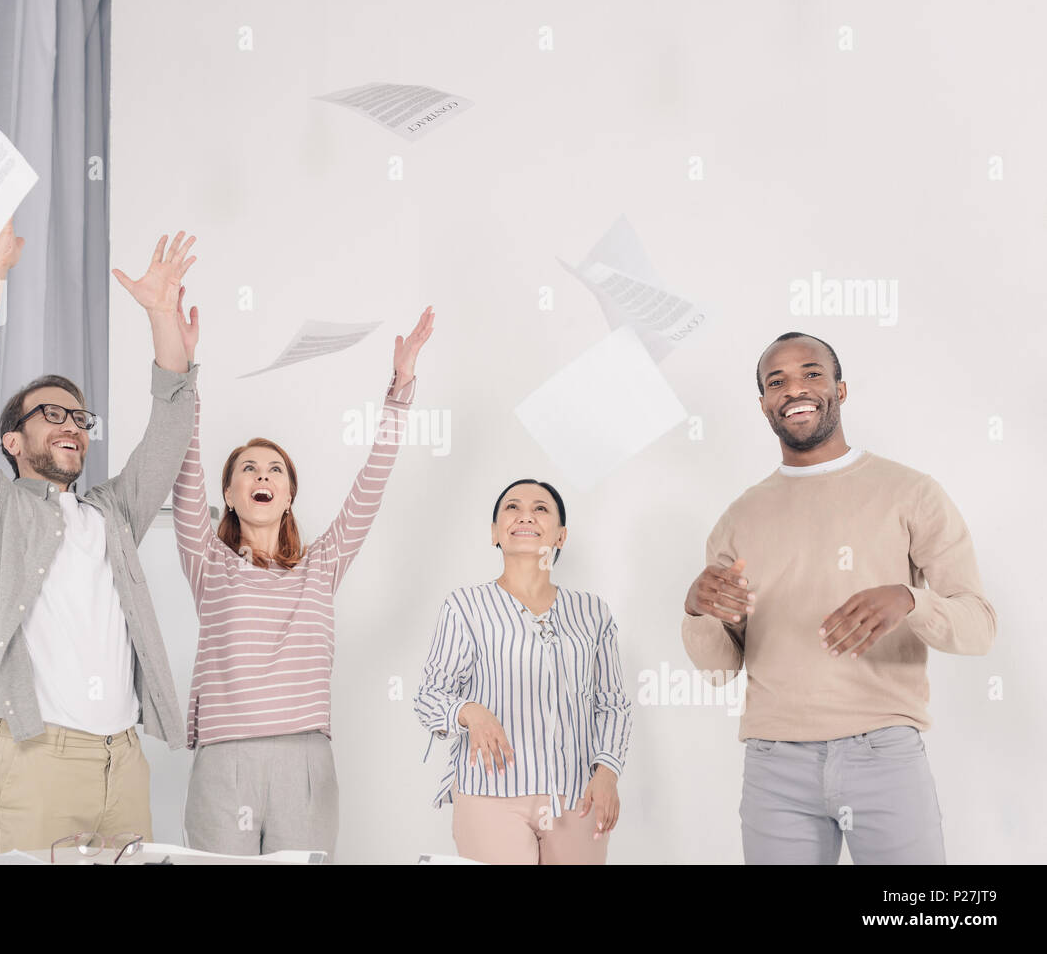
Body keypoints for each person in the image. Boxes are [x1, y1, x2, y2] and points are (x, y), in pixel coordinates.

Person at [681, 331, 997, 864]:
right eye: (776, 381)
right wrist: (697, 610)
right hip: (774, 764)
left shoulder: (910, 491)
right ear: (763, 404)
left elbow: (979, 627)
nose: (794, 388)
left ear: (840, 390)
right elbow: (719, 670)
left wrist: (910, 600)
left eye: (811, 373)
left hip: (884, 754)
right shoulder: (739, 518)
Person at [0, 222, 201, 853]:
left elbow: (169, 429)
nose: (72, 426)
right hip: (39, 759)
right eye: (51, 414)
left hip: (124, 762)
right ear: (13, 441)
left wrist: (163, 317)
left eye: (80, 418)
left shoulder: (110, 514)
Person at [173, 306, 436, 859]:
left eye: (274, 470)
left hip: (307, 761)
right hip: (226, 761)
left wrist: (401, 387)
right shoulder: (208, 560)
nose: (262, 475)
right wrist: (184, 367)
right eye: (248, 468)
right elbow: (185, 466)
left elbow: (372, 483)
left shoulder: (321, 567)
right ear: (229, 493)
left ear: (289, 493)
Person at [414, 479, 631, 864]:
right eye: (511, 508)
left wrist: (608, 772)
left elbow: (612, 703)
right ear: (495, 532)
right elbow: (430, 695)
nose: (525, 515)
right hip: (490, 794)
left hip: (577, 798)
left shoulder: (592, 612)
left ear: (561, 536)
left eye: (541, 508)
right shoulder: (466, 606)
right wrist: (470, 712)